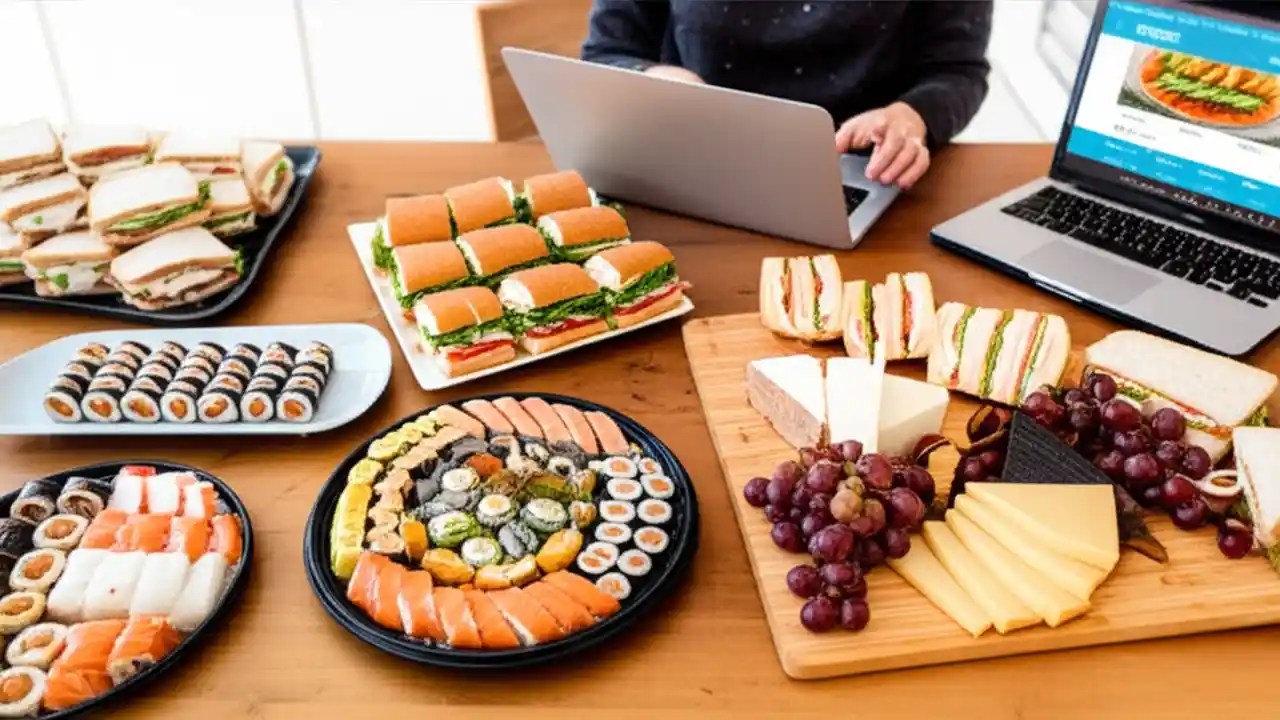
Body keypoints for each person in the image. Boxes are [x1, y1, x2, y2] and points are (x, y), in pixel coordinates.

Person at [581, 1, 993, 190]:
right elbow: (607, 53)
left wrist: (912, 116)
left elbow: (957, 70)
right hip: (686, 167)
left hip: (858, 176)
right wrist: (656, 77)